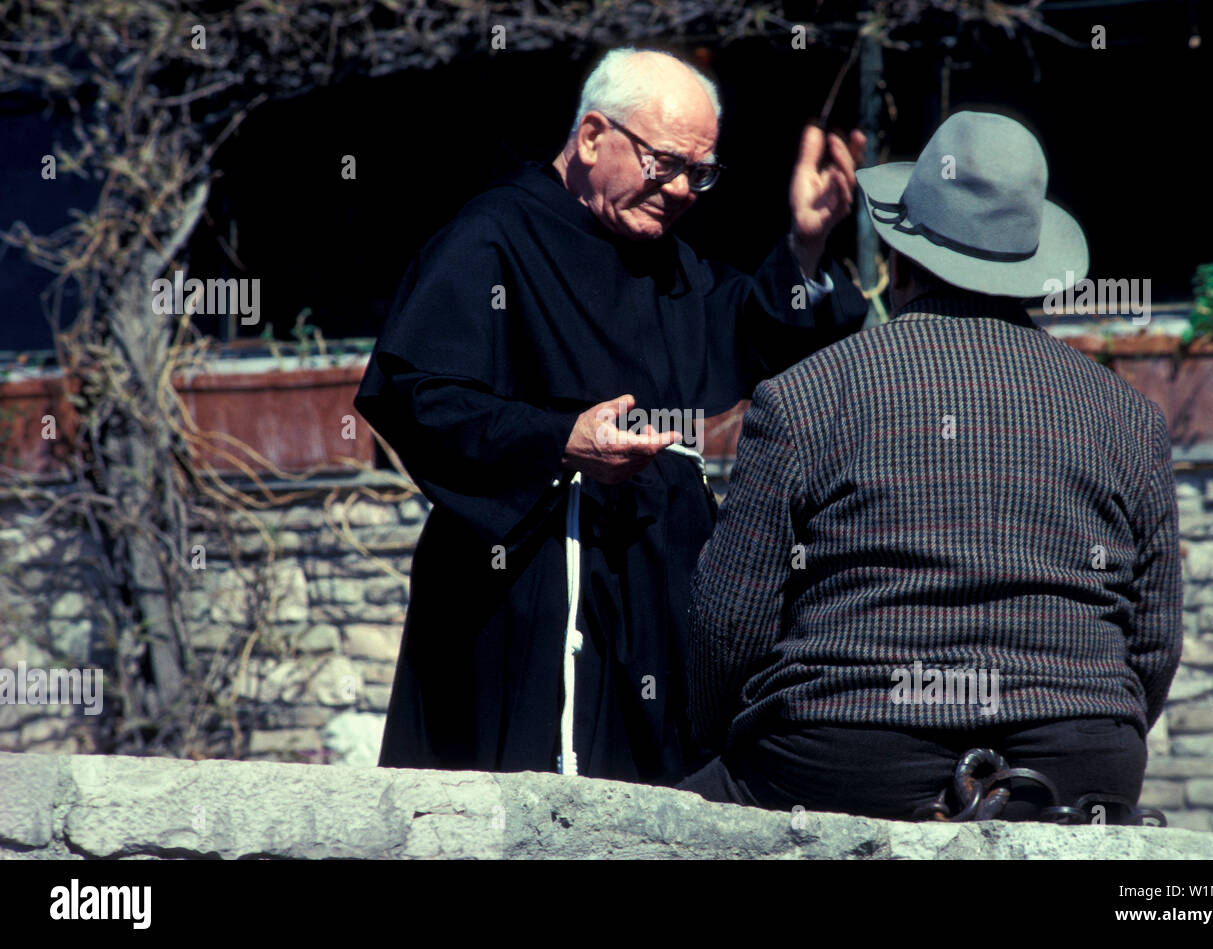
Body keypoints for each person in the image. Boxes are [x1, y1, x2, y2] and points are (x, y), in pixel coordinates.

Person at [354, 47, 870, 786]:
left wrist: (806, 241)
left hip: (657, 598)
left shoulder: (672, 263)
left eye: (702, 171)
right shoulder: (496, 235)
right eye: (667, 163)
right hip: (528, 592)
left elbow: (755, 330)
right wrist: (560, 440)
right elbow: (419, 396)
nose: (686, 188)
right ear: (593, 136)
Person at [680, 110, 1183, 823]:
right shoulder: (1131, 418)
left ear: (896, 256)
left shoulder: (802, 397)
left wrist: (724, 740)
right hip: (1074, 766)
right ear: (1031, 269)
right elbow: (1154, 643)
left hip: (845, 754)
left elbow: (727, 626)